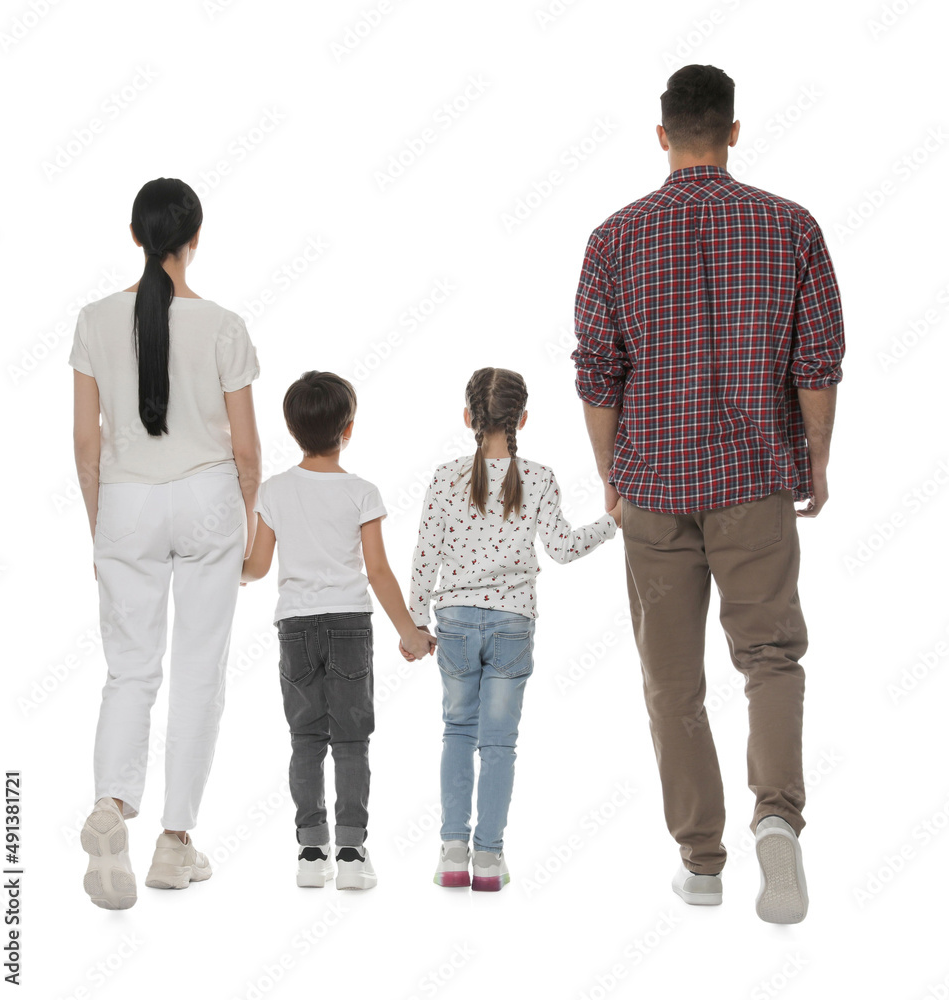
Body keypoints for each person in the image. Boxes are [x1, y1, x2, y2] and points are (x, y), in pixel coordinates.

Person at [571, 64, 844, 923]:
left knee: (671, 684)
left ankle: (700, 858)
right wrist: (817, 460)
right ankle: (777, 820)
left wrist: (611, 478)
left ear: (662, 135)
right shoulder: (790, 226)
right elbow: (816, 363)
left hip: (652, 490)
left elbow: (597, 375)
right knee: (769, 658)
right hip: (754, 482)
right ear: (732, 130)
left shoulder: (613, 237)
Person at [70, 177, 262, 909]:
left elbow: (85, 444)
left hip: (125, 500)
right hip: (207, 498)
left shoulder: (92, 319)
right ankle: (174, 844)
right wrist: (248, 531)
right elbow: (246, 450)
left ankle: (111, 805)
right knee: (198, 673)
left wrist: (100, 529)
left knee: (129, 672)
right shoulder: (222, 324)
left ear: (134, 235)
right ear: (195, 238)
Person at [405, 367, 621, 891]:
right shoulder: (539, 477)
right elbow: (565, 548)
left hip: (453, 621)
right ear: (522, 419)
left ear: (467, 419)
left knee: (457, 730)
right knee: (498, 744)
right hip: (512, 623)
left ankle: (452, 852)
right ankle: (487, 859)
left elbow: (424, 556)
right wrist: (615, 520)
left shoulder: (445, 475)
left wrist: (415, 621)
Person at [241, 370, 435, 890]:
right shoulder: (361, 492)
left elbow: (258, 566)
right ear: (348, 428)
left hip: (296, 626)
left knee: (306, 737)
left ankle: (310, 854)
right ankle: (351, 854)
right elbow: (378, 572)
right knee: (352, 740)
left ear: (291, 428)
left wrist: (224, 571)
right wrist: (411, 632)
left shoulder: (274, 491)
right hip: (350, 623)